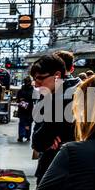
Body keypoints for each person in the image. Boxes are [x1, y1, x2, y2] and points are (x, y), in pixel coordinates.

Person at [29, 54, 78, 183]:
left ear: (57, 75)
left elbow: (39, 142)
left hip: (56, 171)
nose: (36, 85)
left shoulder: (59, 98)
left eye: (40, 79)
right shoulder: (53, 93)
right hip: (70, 170)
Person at [14, 74, 34, 143]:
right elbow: (18, 99)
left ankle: (26, 135)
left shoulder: (31, 91)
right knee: (25, 123)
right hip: (25, 109)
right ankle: (23, 136)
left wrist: (22, 99)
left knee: (26, 123)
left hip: (28, 109)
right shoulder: (30, 90)